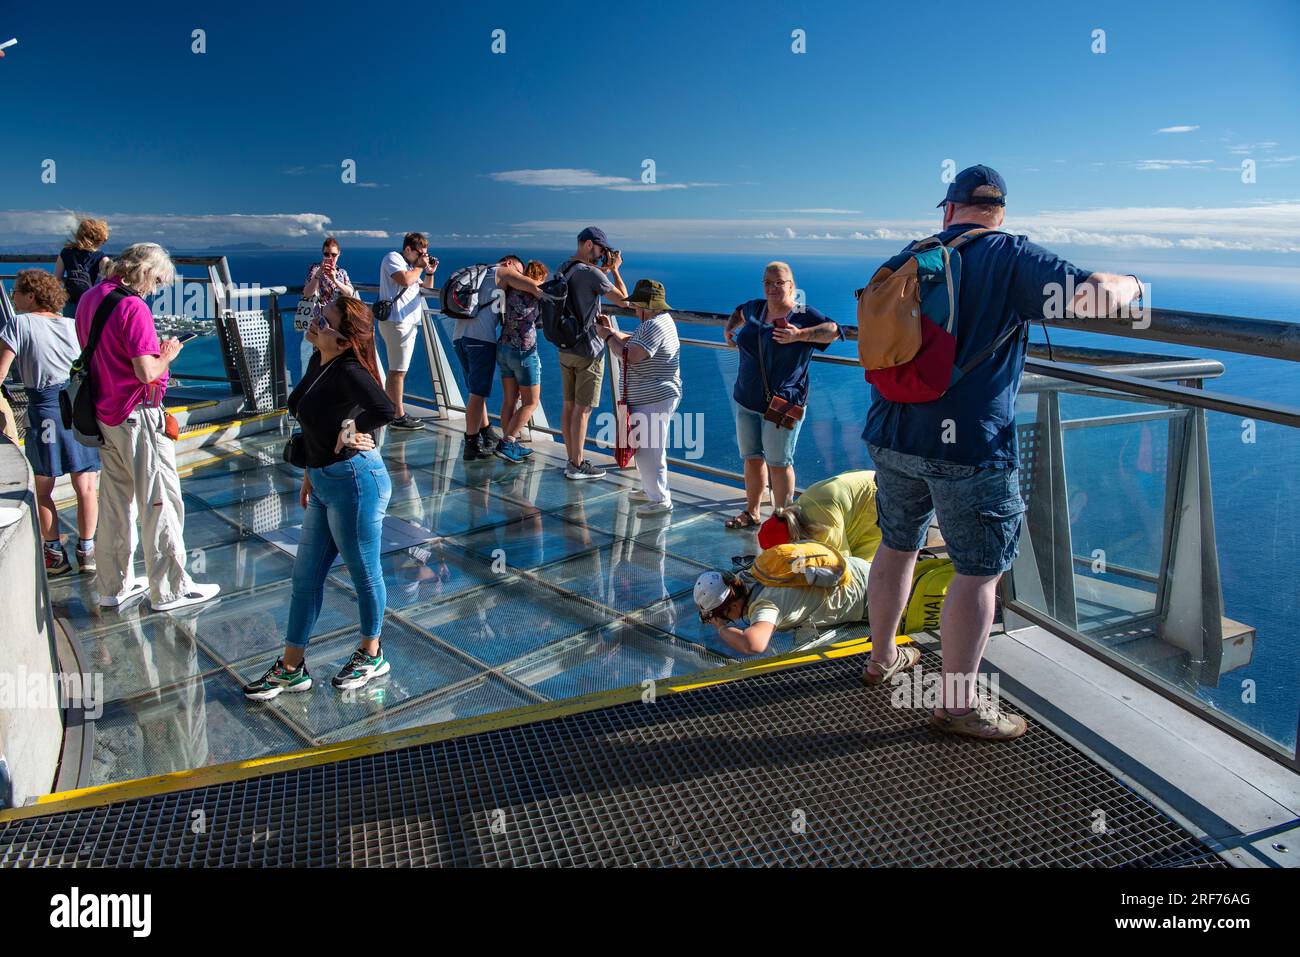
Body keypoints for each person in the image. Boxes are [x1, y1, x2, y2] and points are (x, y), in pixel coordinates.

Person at [861, 164, 1143, 741]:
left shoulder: (913, 255)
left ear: (948, 210)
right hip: (968, 443)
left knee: (897, 544)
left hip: (892, 431)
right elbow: (1094, 299)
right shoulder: (1010, 254)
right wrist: (1133, 283)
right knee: (978, 572)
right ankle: (958, 703)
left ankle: (883, 658)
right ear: (1000, 213)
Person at [243, 296, 397, 701]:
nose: (315, 324)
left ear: (345, 341)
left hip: (356, 482)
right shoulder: (319, 360)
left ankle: (372, 652)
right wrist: (311, 470)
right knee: (305, 578)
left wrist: (352, 429)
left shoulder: (348, 368)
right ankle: (291, 668)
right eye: (317, 317)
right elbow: (314, 421)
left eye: (324, 323)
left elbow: (385, 407)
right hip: (326, 481)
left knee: (364, 573)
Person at [75, 243, 220, 611]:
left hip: (106, 415)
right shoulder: (132, 306)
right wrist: (167, 354)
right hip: (139, 417)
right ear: (143, 271)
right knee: (160, 502)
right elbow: (146, 372)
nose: (155, 289)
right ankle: (171, 588)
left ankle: (113, 586)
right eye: (156, 280)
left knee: (115, 504)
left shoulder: (91, 299)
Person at [723, 262, 840, 529]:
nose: (773, 287)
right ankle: (752, 512)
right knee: (751, 458)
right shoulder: (756, 307)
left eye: (780, 282)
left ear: (791, 285)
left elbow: (833, 330)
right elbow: (738, 311)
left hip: (783, 403)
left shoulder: (800, 311)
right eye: (768, 282)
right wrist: (728, 328)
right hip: (746, 398)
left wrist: (800, 335)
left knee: (779, 462)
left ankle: (782, 520)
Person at [0, 270, 101, 576]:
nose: (13, 297)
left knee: (43, 486)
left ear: (31, 296)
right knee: (86, 485)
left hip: (44, 409)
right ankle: (88, 551)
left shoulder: (18, 324)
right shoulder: (74, 325)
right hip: (79, 407)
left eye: (17, 291)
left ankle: (54, 554)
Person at [595, 279, 681, 515]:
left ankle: (661, 499)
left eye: (636, 304)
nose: (633, 308)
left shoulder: (653, 325)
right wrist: (612, 332)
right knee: (643, 448)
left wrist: (606, 336)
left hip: (654, 397)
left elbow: (631, 354)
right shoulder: (659, 321)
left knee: (651, 449)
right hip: (652, 395)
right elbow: (635, 341)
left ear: (646, 305)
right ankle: (650, 489)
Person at [554, 227, 629, 480]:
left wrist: (603, 272)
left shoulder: (565, 267)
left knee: (568, 406)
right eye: (600, 249)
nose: (602, 254)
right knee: (583, 409)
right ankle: (577, 463)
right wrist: (616, 270)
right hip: (588, 349)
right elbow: (624, 301)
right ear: (588, 245)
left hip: (565, 347)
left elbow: (585, 291)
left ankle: (570, 458)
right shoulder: (591, 273)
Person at [693, 555, 871, 656]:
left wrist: (721, 628)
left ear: (730, 608)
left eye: (719, 616)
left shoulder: (765, 605)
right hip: (855, 568)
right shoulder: (753, 573)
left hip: (868, 596)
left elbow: (753, 644)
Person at [453, 254, 513, 462]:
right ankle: (471, 443)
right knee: (478, 394)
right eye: (518, 270)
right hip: (480, 340)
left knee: (475, 390)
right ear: (509, 264)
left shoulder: (482, 273)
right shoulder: (503, 271)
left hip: (460, 338)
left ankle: (486, 431)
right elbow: (532, 286)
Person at [377, 232, 437, 430]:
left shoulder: (413, 267)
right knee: (398, 372)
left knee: (397, 370)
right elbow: (404, 280)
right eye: (421, 253)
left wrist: (429, 271)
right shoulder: (392, 258)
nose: (423, 257)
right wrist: (420, 266)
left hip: (406, 323)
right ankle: (398, 415)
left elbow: (426, 287)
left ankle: (389, 410)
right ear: (408, 249)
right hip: (397, 322)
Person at [493, 258, 548, 464]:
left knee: (510, 399)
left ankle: (509, 444)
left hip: (504, 347)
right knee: (531, 402)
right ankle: (508, 441)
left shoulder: (509, 288)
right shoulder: (536, 294)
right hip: (524, 350)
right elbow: (541, 322)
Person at [758, 470, 882, 561]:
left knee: (859, 568)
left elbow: (842, 566)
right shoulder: (794, 514)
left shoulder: (823, 527)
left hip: (877, 498)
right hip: (863, 487)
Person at [298, 236, 355, 376]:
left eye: (333, 255)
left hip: (335, 326)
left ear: (339, 255)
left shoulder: (342, 273)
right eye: (326, 254)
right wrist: (318, 275)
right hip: (318, 323)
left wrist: (335, 279)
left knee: (334, 362)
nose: (330, 257)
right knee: (314, 362)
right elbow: (307, 293)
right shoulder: (315, 269)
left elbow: (350, 293)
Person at [54, 218, 111, 317]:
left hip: (70, 301)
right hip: (90, 304)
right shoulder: (101, 257)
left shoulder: (65, 253)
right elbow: (107, 283)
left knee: (71, 329)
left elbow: (56, 280)